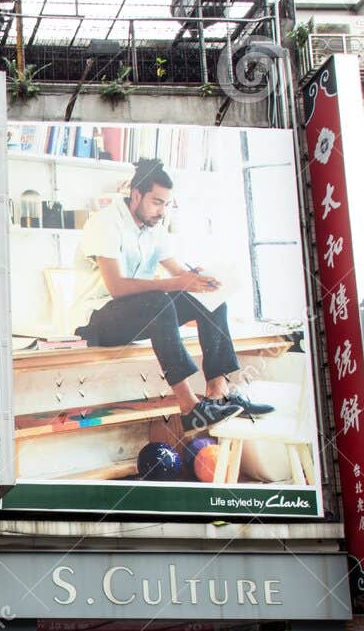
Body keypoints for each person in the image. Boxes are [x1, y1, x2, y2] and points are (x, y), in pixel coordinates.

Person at [68, 158, 275, 433]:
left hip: (140, 314)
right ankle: (189, 407)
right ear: (136, 195)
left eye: (167, 204)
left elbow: (178, 272)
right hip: (96, 321)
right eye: (157, 202)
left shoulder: (155, 227)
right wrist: (178, 282)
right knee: (159, 300)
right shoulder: (105, 223)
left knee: (209, 300)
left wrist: (199, 280)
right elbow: (117, 288)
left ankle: (218, 394)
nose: (162, 211)